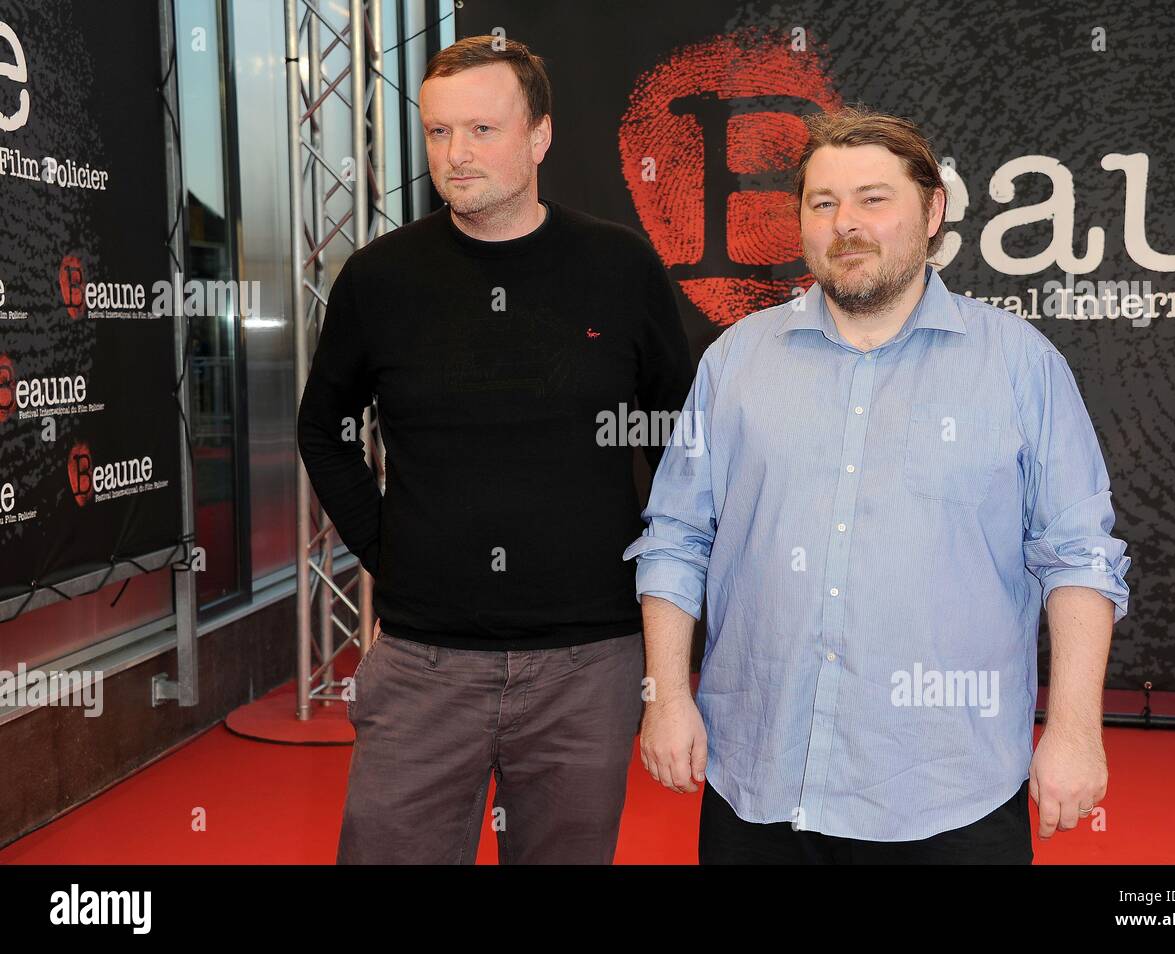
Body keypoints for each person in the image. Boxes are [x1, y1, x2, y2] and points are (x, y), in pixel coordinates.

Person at [625, 105, 1131, 864]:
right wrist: (666, 697)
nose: (845, 224)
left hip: (949, 794)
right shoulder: (734, 363)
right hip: (761, 781)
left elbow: (1079, 557)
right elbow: (676, 538)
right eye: (822, 203)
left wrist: (1074, 731)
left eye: (873, 199)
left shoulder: (1021, 366)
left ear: (932, 212)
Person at [297, 35, 692, 864]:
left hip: (590, 665)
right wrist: (385, 548)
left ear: (539, 136)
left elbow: (680, 445)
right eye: (438, 133)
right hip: (422, 662)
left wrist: (675, 640)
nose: (455, 154)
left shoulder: (619, 267)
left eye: (481, 129)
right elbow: (323, 430)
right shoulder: (379, 279)